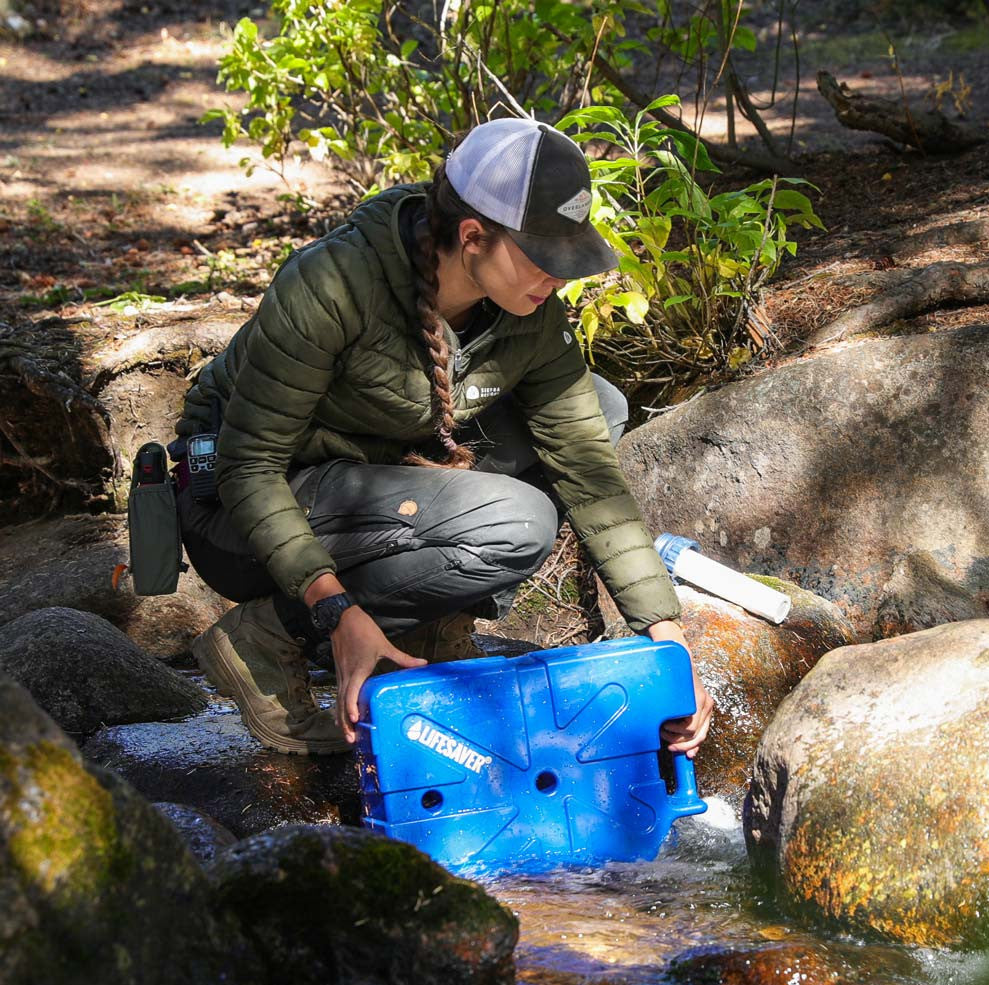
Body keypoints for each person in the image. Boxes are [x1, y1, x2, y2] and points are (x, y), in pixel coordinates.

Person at [172, 117, 714, 759]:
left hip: (382, 477)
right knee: (519, 521)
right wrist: (333, 611)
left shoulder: (532, 313)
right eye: (543, 258)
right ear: (473, 236)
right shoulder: (334, 285)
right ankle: (266, 637)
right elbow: (248, 467)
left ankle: (432, 622)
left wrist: (663, 628)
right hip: (243, 508)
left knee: (601, 406)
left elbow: (586, 465)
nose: (559, 278)